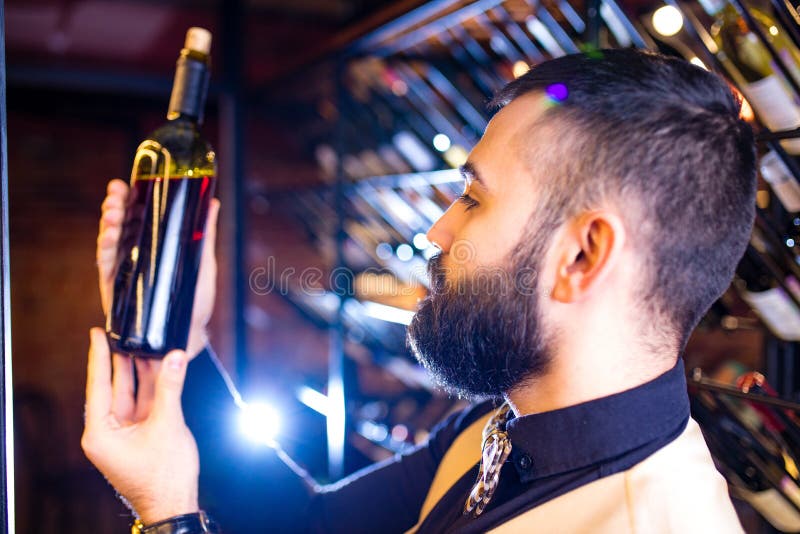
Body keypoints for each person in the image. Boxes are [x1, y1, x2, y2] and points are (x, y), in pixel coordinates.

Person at [83, 48, 755, 533]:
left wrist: (168, 520)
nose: (437, 231)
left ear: (582, 255)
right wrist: (181, 338)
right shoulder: (507, 423)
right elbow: (308, 523)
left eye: (472, 198)